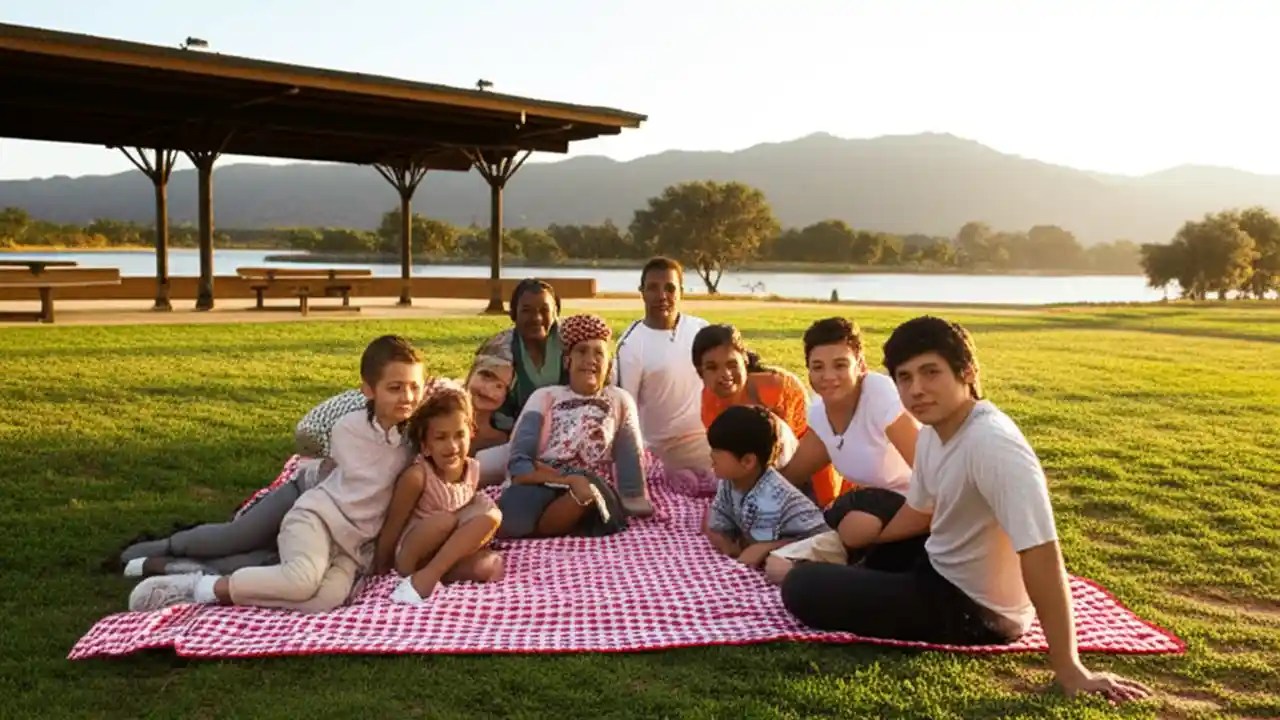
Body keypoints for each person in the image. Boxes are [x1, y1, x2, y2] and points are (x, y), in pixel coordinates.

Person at [780, 317, 1153, 704]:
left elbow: (1041, 552)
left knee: (802, 586)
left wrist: (1070, 667)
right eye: (905, 378)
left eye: (931, 373)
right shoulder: (933, 433)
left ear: (967, 373)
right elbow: (918, 511)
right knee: (862, 545)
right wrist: (870, 542)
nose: (917, 390)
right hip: (939, 564)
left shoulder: (993, 444)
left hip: (976, 607)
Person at [128, 335, 427, 613]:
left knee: (325, 600)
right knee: (293, 575)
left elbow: (442, 416)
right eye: (395, 387)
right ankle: (195, 584)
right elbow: (318, 438)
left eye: (415, 387)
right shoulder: (348, 426)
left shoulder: (416, 439)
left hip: (353, 547)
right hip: (318, 517)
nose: (407, 397)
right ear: (367, 390)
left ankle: (203, 578)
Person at [767, 317, 921, 583]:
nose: (828, 377)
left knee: (857, 526)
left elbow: (931, 475)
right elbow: (790, 475)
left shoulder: (880, 396)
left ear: (860, 365)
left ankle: (859, 566)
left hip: (915, 511)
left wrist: (879, 539)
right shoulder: (818, 412)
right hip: (862, 513)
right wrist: (738, 496)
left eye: (840, 365)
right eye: (818, 367)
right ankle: (849, 568)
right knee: (778, 567)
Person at [497, 313, 653, 538]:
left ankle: (555, 522)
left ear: (609, 364)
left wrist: (634, 498)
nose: (590, 360)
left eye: (599, 353)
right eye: (581, 351)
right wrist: (563, 480)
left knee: (589, 497)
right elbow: (520, 461)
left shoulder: (619, 400)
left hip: (591, 485)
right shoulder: (544, 396)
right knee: (513, 521)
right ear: (567, 360)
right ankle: (551, 523)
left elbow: (631, 456)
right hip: (544, 478)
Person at [374, 382, 504, 605]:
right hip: (413, 549)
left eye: (458, 435)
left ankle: (432, 574)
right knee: (444, 521)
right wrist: (380, 568)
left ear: (471, 433)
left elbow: (471, 509)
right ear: (425, 446)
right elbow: (393, 524)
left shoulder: (472, 468)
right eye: (441, 438)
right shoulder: (417, 476)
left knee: (490, 559)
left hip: (442, 551)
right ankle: (423, 576)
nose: (452, 446)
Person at [692, 324, 843, 507]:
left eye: (732, 364)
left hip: (805, 466)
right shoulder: (709, 403)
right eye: (712, 368)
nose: (725, 374)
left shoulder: (777, 388)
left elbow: (812, 445)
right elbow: (728, 457)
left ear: (745, 362)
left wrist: (826, 501)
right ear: (700, 372)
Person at [613, 257, 711, 472]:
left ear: (681, 292)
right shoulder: (631, 345)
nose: (662, 296)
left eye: (669, 288)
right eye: (653, 288)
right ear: (642, 292)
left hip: (708, 440)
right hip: (662, 451)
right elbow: (624, 412)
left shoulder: (701, 330)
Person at [704, 405, 828, 569]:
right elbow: (718, 522)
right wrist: (724, 541)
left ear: (748, 462)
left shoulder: (770, 495)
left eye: (717, 451)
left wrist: (759, 548)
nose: (711, 456)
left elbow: (756, 550)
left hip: (818, 544)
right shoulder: (729, 481)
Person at [474, 278, 569, 424]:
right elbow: (478, 406)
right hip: (510, 435)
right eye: (526, 310)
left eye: (544, 310)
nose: (537, 318)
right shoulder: (497, 349)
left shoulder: (572, 344)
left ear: (556, 313)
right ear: (513, 314)